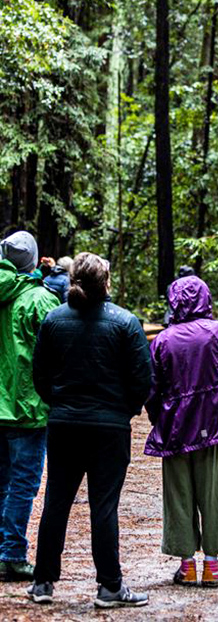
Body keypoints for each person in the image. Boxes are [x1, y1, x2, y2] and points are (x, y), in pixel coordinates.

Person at [27, 253, 151, 607]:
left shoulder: (54, 320)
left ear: (73, 280)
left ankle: (42, 583)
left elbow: (40, 375)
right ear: (106, 282)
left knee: (56, 501)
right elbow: (142, 379)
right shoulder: (125, 323)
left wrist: (60, 404)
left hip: (65, 424)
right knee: (104, 506)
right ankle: (110, 586)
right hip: (108, 429)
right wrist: (122, 410)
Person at [145, 273, 218, 587]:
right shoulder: (216, 332)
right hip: (215, 423)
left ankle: (187, 564)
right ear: (206, 298)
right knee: (214, 493)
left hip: (175, 428)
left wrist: (158, 419)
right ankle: (213, 565)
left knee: (178, 494)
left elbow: (152, 389)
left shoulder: (162, 340)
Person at [0, 231, 59, 583]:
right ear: (34, 261)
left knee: (2, 481)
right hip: (27, 409)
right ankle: (12, 554)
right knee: (23, 483)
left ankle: (4, 549)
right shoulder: (40, 300)